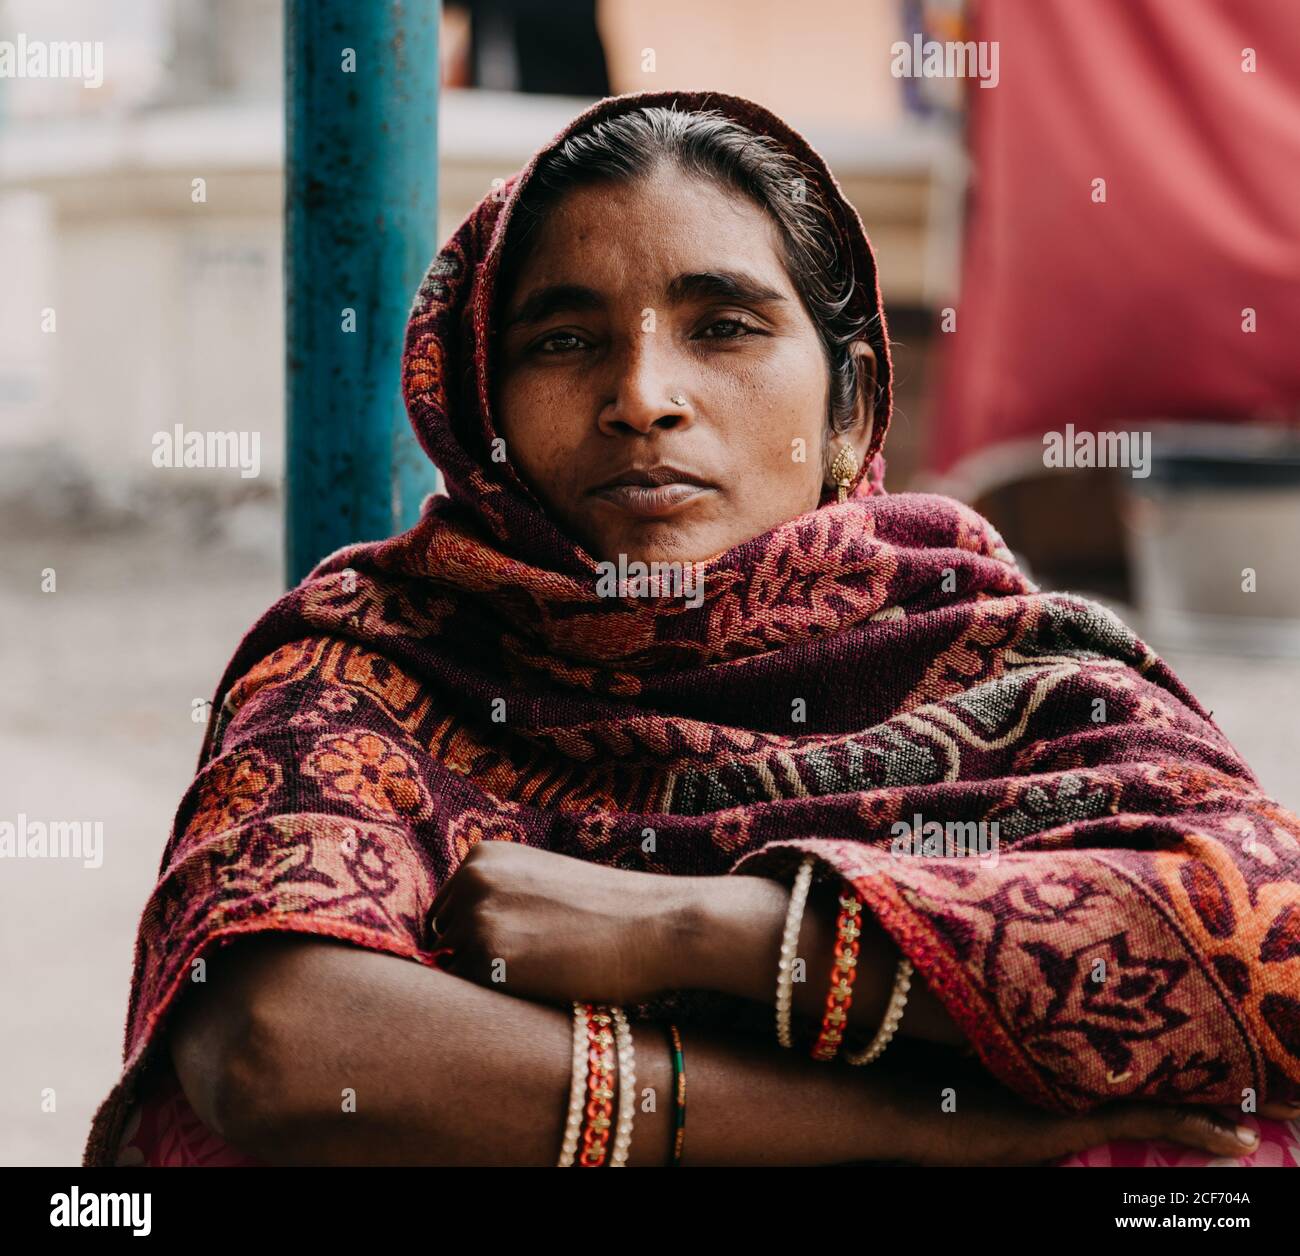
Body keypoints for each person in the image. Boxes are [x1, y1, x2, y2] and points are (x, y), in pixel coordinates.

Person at [85, 90, 1300, 1168]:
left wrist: (691, 932)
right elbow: (277, 1043)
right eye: (564, 340)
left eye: (722, 326)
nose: (642, 397)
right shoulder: (372, 665)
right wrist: (913, 1120)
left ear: (850, 406)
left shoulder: (1017, 666)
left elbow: (1269, 940)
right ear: (475, 408)